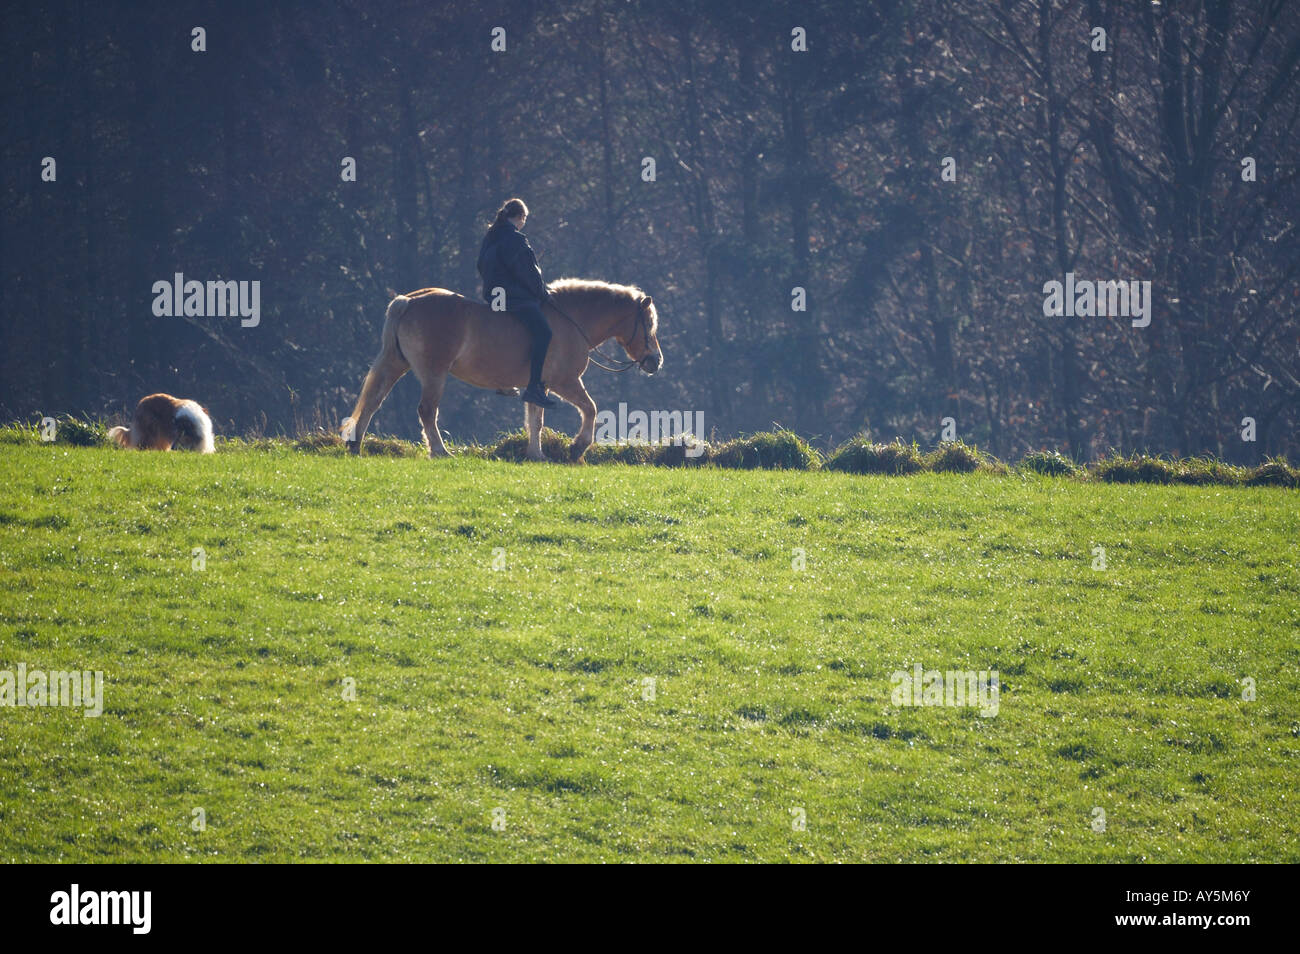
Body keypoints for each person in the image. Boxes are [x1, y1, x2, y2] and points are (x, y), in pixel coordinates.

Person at [476, 198, 558, 409]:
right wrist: (542, 294)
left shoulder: (491, 237)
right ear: (521, 217)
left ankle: (504, 378)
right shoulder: (515, 239)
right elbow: (528, 274)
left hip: (494, 296)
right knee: (544, 333)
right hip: (514, 298)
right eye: (525, 219)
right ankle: (534, 387)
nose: (524, 223)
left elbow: (480, 266)